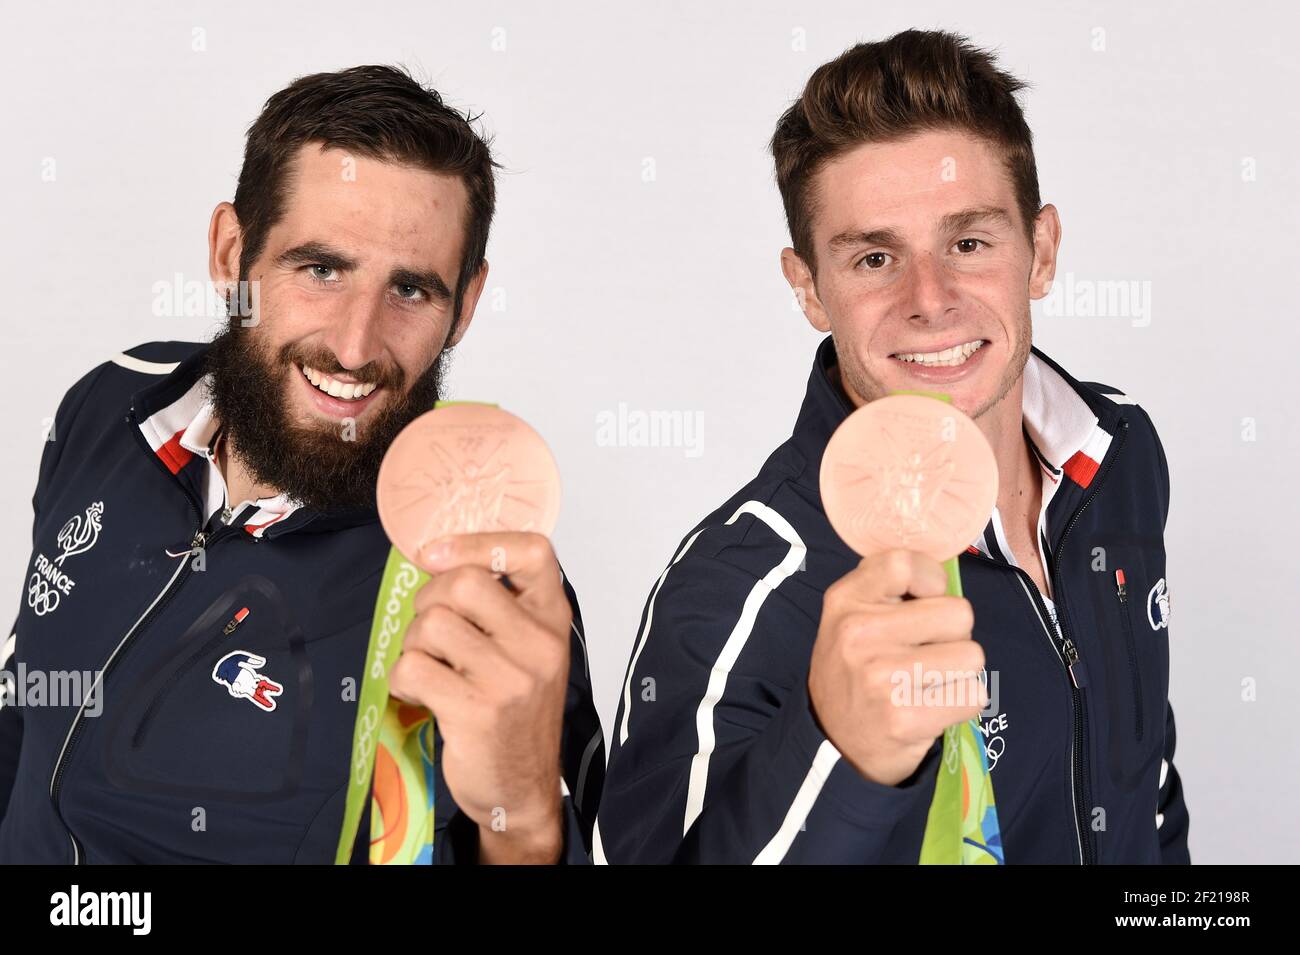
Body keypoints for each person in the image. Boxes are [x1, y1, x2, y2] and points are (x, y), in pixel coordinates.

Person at [596, 29, 1189, 864]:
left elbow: (1144, 776)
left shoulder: (1118, 454)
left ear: (1042, 250)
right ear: (808, 288)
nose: (930, 300)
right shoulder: (740, 584)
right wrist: (840, 750)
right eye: (875, 257)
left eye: (969, 243)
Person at [0, 65, 603, 864]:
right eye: (321, 269)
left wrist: (521, 821)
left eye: (413, 290)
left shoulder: (480, 575)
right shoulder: (111, 405)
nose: (355, 346)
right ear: (230, 253)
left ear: (465, 304)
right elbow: (27, 707)